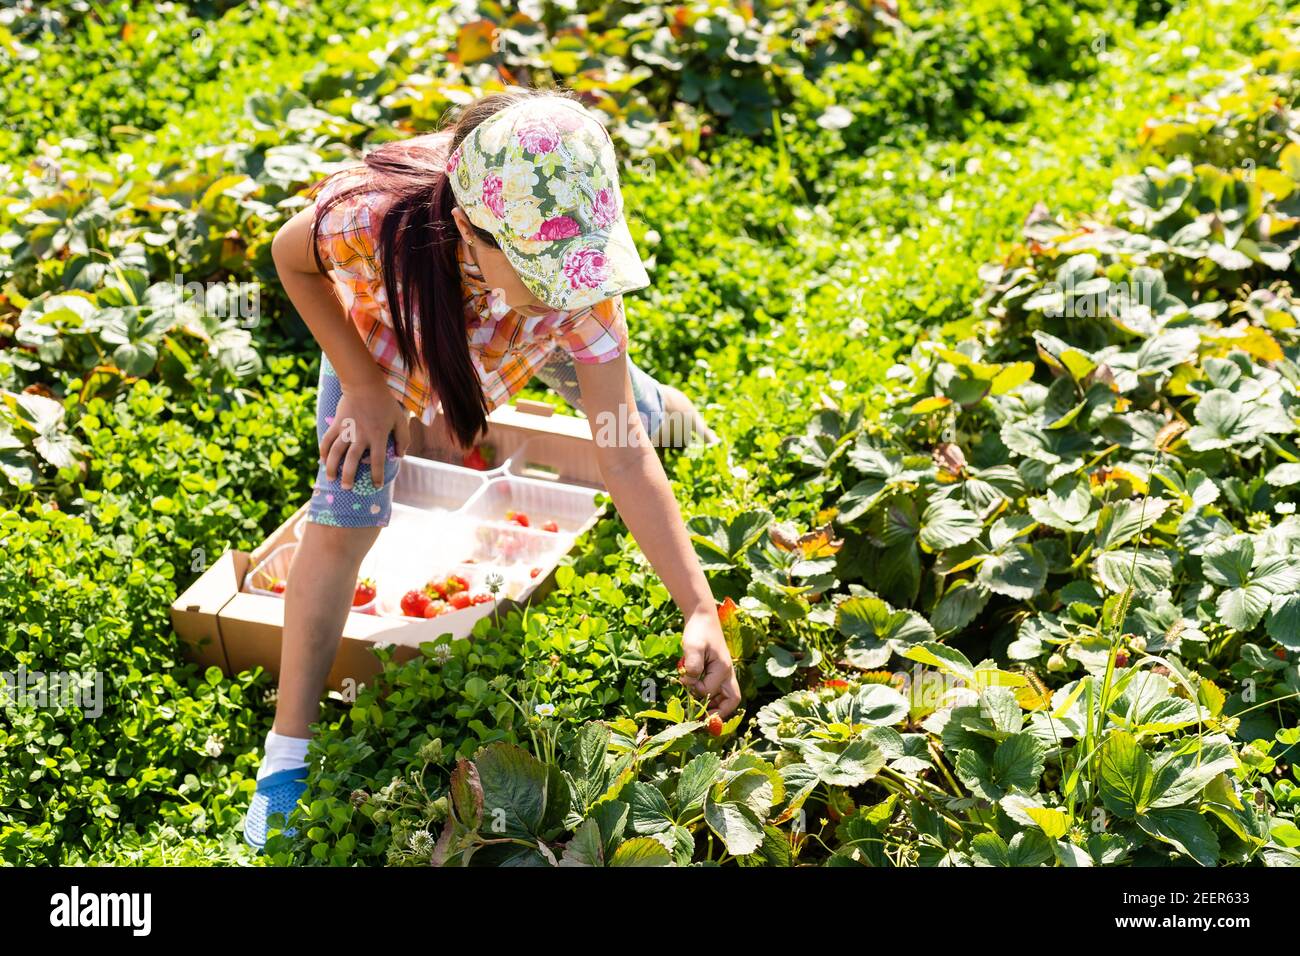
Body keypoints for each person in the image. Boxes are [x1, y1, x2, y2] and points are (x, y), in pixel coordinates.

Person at [243, 88, 738, 849]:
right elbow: (289, 258)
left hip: (521, 347)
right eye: (545, 269)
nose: (568, 288)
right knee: (347, 514)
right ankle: (286, 759)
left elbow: (621, 458)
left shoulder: (575, 296)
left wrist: (699, 606)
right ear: (470, 233)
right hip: (388, 344)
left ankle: (648, 397)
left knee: (618, 409)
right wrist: (367, 391)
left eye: (582, 268)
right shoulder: (368, 224)